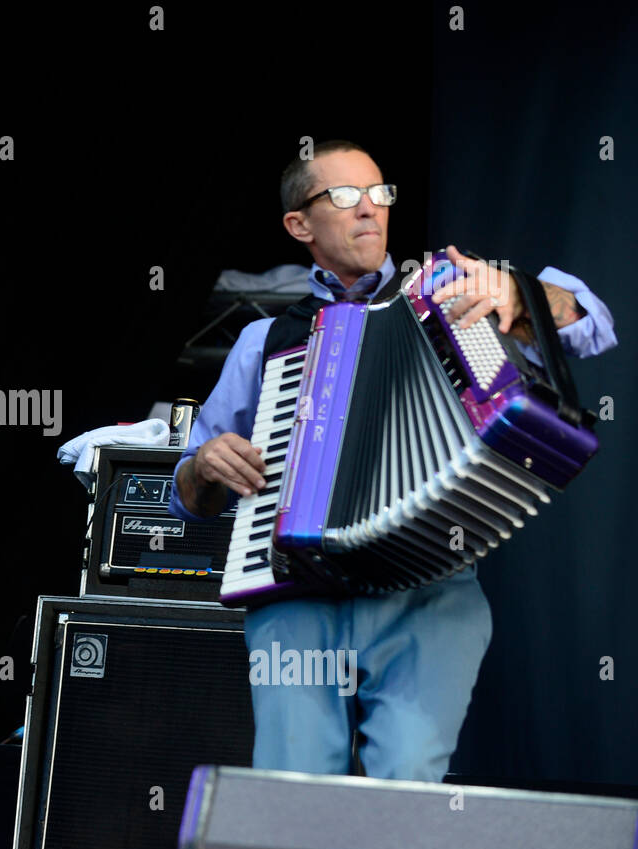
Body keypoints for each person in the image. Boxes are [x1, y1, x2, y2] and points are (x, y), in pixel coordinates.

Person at [170, 140, 615, 782]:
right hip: (297, 591)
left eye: (379, 194)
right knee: (294, 787)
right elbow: (188, 495)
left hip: (429, 590)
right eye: (345, 196)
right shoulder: (264, 341)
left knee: (405, 788)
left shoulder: (454, 298)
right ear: (299, 224)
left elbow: (592, 323)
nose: (369, 210)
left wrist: (522, 300)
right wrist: (204, 463)